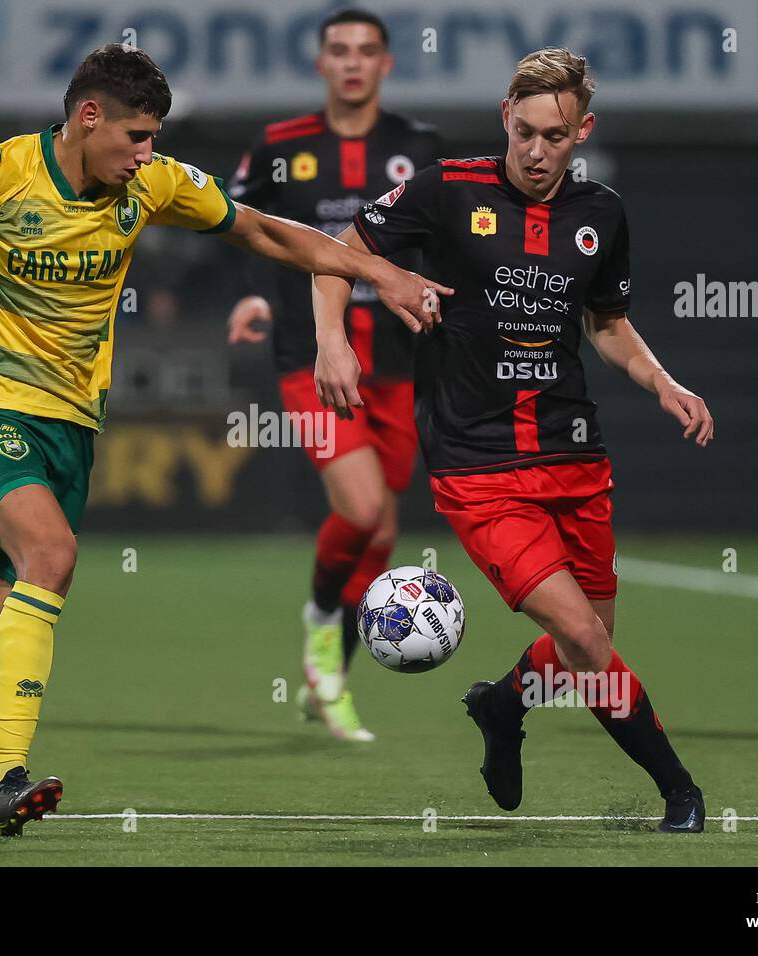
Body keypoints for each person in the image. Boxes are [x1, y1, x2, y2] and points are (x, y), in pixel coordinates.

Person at [0, 43, 448, 836]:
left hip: (73, 427)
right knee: (52, 558)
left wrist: (380, 274)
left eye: (154, 138)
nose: (147, 153)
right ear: (87, 117)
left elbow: (268, 232)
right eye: (136, 136)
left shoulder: (154, 184)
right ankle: (4, 783)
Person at [312, 47, 712, 830]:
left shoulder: (603, 213)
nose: (535, 151)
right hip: (479, 467)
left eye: (555, 136)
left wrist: (662, 381)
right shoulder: (449, 189)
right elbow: (338, 253)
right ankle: (681, 791)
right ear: (505, 116)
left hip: (576, 455)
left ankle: (501, 706)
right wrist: (333, 337)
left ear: (582, 130)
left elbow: (607, 324)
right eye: (524, 131)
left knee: (586, 648)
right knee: (584, 641)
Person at [225, 8, 442, 740]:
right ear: (321, 63)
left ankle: (329, 679)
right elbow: (239, 227)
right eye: (339, 51)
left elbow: (440, 246)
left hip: (402, 366)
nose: (352, 63)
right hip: (310, 356)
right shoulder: (281, 147)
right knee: (358, 508)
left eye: (367, 52)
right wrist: (255, 292)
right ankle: (321, 617)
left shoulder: (421, 147)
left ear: (386, 64)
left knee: (381, 528)